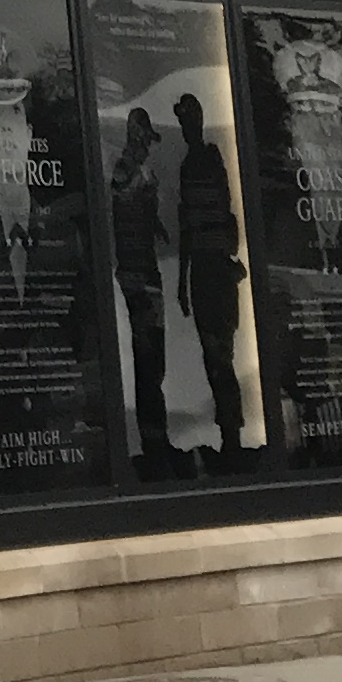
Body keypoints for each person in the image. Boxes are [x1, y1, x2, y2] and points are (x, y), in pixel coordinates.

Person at [172, 91, 251, 463]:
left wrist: (187, 279)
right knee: (215, 356)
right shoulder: (191, 164)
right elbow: (189, 227)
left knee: (220, 356)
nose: (187, 127)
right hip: (206, 271)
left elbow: (215, 219)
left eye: (189, 120)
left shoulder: (205, 160)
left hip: (214, 270)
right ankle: (229, 434)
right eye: (183, 121)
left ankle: (232, 434)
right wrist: (182, 282)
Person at [108, 107, 174, 467]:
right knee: (147, 356)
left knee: (155, 359)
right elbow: (120, 192)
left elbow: (141, 211)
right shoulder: (125, 169)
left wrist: (156, 224)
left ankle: (158, 436)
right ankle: (153, 441)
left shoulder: (141, 171)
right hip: (135, 275)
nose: (148, 146)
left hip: (148, 272)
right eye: (144, 140)